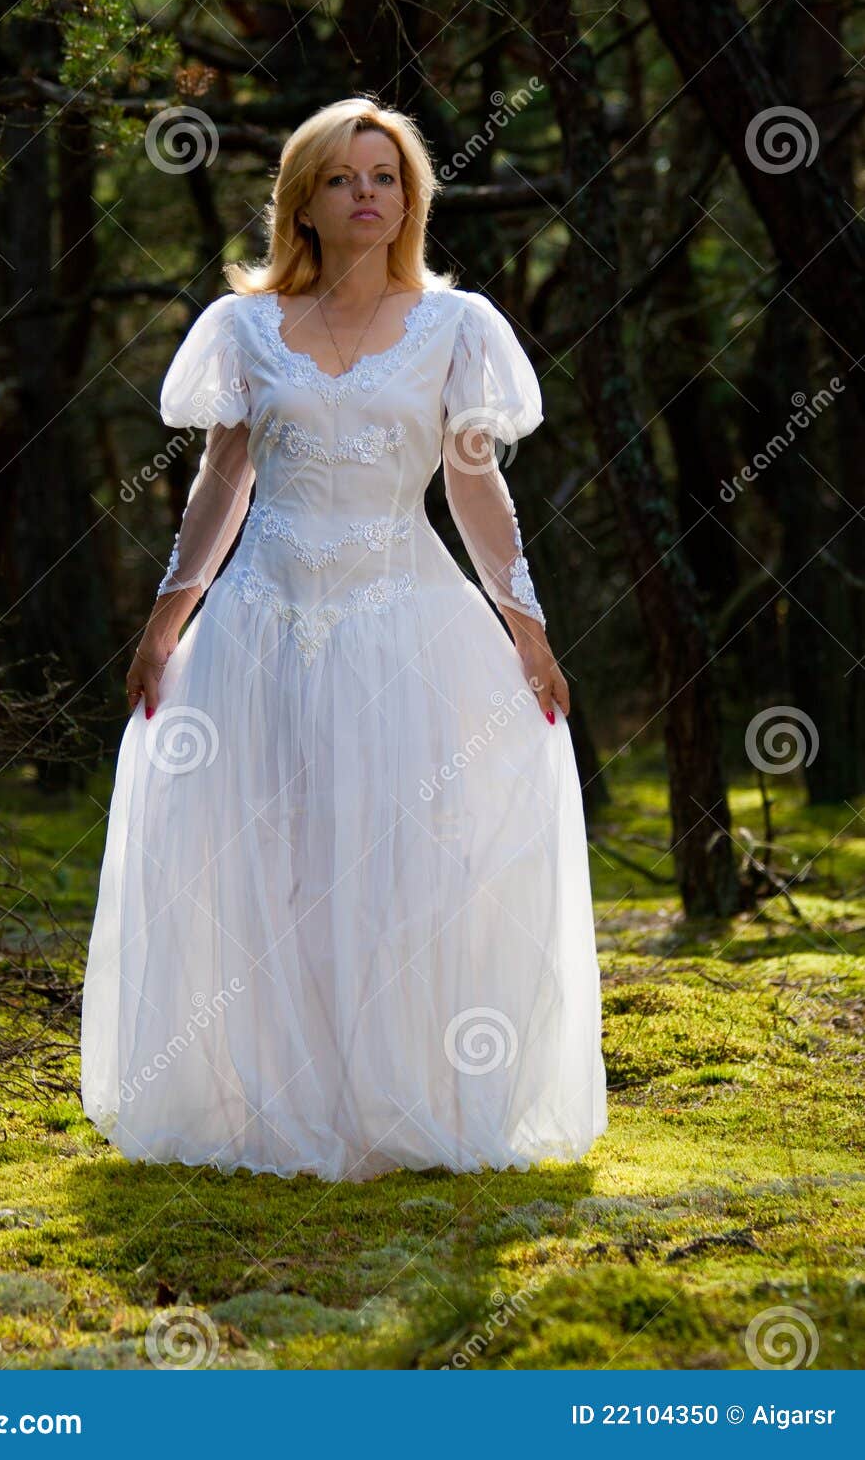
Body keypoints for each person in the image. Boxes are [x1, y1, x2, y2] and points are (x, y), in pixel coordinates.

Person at [80, 96, 607, 1181]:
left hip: (399, 620)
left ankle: (398, 1095)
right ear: (302, 202)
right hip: (258, 624)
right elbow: (222, 482)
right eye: (340, 177)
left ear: (409, 198)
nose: (366, 193)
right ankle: (272, 1097)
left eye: (385, 176)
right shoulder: (244, 327)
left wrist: (529, 631)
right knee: (264, 855)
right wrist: (165, 622)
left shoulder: (455, 326)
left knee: (402, 854)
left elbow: (473, 485)